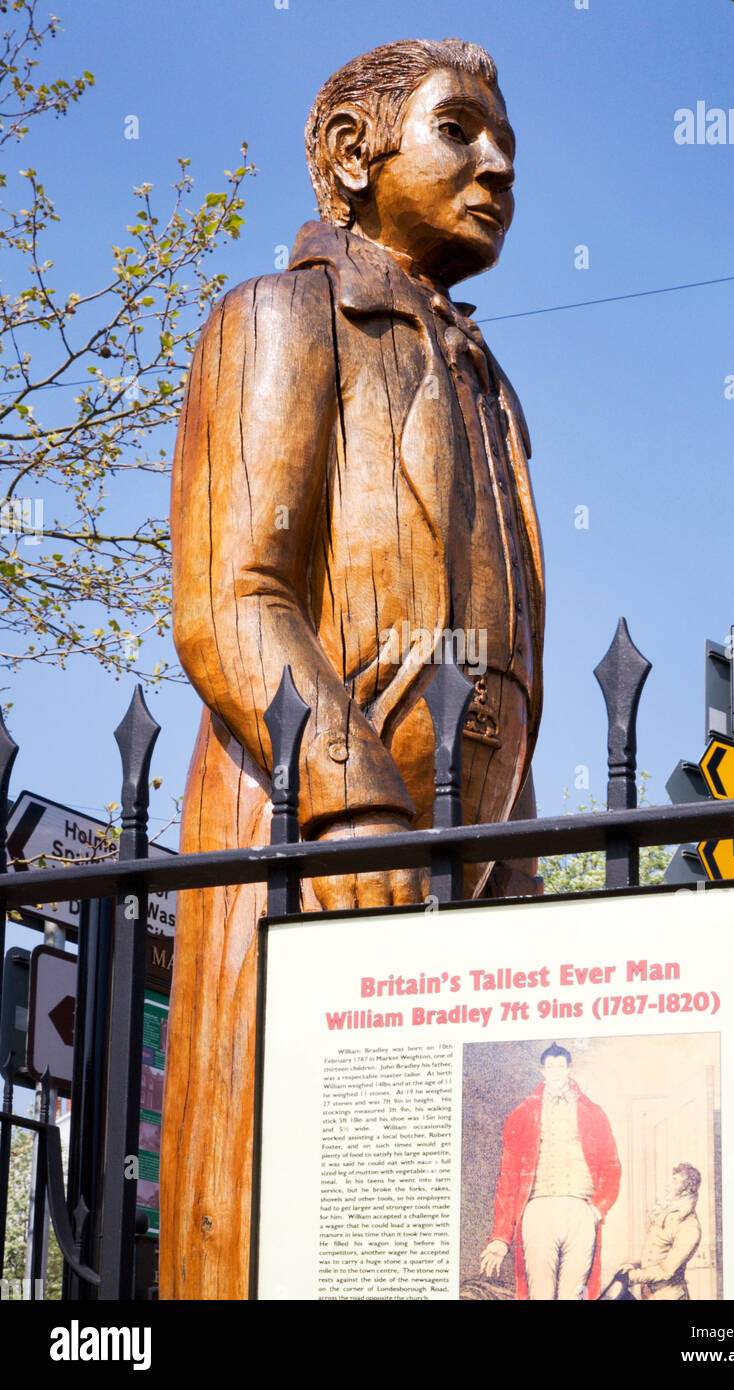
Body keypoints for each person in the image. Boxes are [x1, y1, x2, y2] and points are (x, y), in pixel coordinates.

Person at [163, 38, 545, 1298]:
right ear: (349, 155)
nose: (494, 163)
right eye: (457, 131)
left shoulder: (496, 398)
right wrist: (360, 815)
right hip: (316, 857)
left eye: (504, 143)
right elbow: (236, 599)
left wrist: (521, 884)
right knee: (280, 1230)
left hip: (467, 884)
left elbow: (514, 680)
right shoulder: (278, 322)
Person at [480, 1045, 621, 1300]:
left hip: (580, 1210)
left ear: (568, 1069)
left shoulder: (594, 1113)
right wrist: (501, 1236)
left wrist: (596, 1209)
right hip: (538, 1211)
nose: (555, 1071)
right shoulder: (522, 1115)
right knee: (540, 1293)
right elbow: (508, 1179)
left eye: (560, 1066)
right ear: (541, 1070)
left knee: (574, 1294)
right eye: (550, 1066)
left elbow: (611, 1166)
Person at [621, 1163, 702, 1301]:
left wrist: (632, 1276)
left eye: (675, 1181)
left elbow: (666, 1270)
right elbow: (656, 1256)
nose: (667, 1184)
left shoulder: (689, 1225)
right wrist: (634, 1265)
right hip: (650, 1295)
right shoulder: (666, 1213)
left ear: (687, 1189)